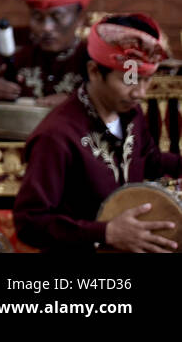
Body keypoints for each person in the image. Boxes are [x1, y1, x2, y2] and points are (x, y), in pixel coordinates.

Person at [13, 13, 181, 252]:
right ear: (94, 71)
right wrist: (106, 232)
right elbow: (29, 223)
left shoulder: (131, 116)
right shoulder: (57, 136)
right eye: (129, 80)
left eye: (147, 80)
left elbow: (151, 162)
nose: (140, 93)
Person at [0, 0, 93, 106]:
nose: (46, 27)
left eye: (56, 16)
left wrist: (74, 102)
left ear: (79, 19)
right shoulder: (20, 60)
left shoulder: (93, 61)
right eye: (38, 18)